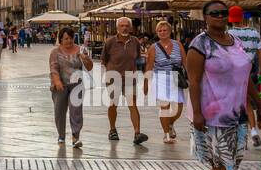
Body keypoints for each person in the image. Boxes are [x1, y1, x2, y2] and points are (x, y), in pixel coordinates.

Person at [187, 0, 261, 170]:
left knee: (233, 159)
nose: (220, 16)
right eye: (214, 13)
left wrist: (259, 103)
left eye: (223, 13)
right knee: (223, 159)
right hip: (212, 112)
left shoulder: (235, 41)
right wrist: (197, 113)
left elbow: (245, 75)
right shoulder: (199, 45)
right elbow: (194, 81)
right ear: (205, 17)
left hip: (236, 110)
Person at [101, 17, 147, 145]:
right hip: (113, 78)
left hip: (129, 78)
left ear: (130, 28)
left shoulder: (135, 42)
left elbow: (138, 58)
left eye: (127, 25)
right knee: (113, 104)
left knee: (132, 105)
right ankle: (112, 129)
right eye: (121, 26)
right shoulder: (110, 42)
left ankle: (137, 133)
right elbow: (104, 60)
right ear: (117, 28)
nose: (124, 28)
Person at [227, 5, 261, 148]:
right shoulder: (253, 32)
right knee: (247, 101)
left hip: (233, 71)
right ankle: (254, 130)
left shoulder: (228, 33)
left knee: (236, 102)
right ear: (243, 17)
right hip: (249, 69)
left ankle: (240, 135)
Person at [49, 28, 92, 148]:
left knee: (76, 111)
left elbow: (89, 67)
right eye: (66, 38)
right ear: (61, 39)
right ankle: (61, 135)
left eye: (71, 38)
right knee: (60, 111)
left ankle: (75, 137)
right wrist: (57, 81)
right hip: (60, 86)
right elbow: (53, 68)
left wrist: (85, 59)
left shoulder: (81, 49)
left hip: (76, 84)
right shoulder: (55, 52)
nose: (69, 41)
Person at [146, 19, 185, 143]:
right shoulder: (153, 47)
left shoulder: (178, 44)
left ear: (170, 31)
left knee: (179, 108)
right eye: (160, 31)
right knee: (165, 107)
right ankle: (166, 134)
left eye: (165, 30)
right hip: (161, 77)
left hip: (176, 77)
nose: (163, 32)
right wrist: (146, 83)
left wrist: (192, 77)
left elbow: (185, 61)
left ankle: (170, 122)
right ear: (157, 32)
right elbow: (149, 66)